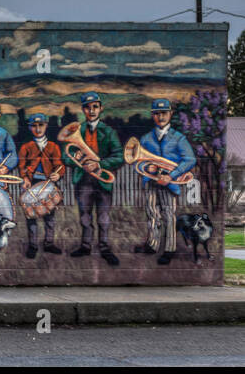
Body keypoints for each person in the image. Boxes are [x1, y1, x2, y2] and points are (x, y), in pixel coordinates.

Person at [133, 98, 197, 265]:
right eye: (157, 113)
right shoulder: (146, 138)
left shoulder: (179, 138)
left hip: (170, 183)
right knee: (152, 214)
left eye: (164, 113)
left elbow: (190, 160)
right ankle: (152, 245)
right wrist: (148, 169)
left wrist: (172, 175)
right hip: (151, 182)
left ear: (171, 114)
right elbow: (137, 163)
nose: (161, 116)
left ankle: (169, 249)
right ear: (152, 116)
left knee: (169, 216)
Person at [67, 91, 123, 266]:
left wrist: (100, 165)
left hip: (102, 181)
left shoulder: (109, 132)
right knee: (84, 216)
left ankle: (104, 247)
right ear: (83, 110)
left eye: (95, 107)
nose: (91, 111)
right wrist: (81, 163)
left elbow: (119, 156)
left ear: (101, 108)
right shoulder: (77, 131)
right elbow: (65, 155)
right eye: (88, 108)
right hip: (84, 180)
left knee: (103, 217)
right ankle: (85, 245)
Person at [18, 112, 63, 258]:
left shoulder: (53, 146)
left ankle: (49, 243)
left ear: (46, 126)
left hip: (48, 184)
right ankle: (33, 245)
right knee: (31, 216)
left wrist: (58, 174)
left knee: (49, 215)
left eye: (41, 125)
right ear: (30, 128)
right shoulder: (26, 147)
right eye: (34, 126)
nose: (38, 129)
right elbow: (22, 166)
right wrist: (25, 178)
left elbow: (59, 165)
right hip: (32, 183)